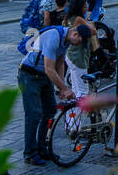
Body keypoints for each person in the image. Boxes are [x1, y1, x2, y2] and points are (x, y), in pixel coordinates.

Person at [18, 20, 81, 165]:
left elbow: (59, 63)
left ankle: (42, 149)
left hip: (43, 76)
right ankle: (30, 153)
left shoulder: (66, 41)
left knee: (50, 110)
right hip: (29, 75)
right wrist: (65, 89)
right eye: (79, 41)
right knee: (34, 114)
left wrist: (60, 88)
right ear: (75, 33)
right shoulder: (54, 36)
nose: (78, 44)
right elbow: (49, 68)